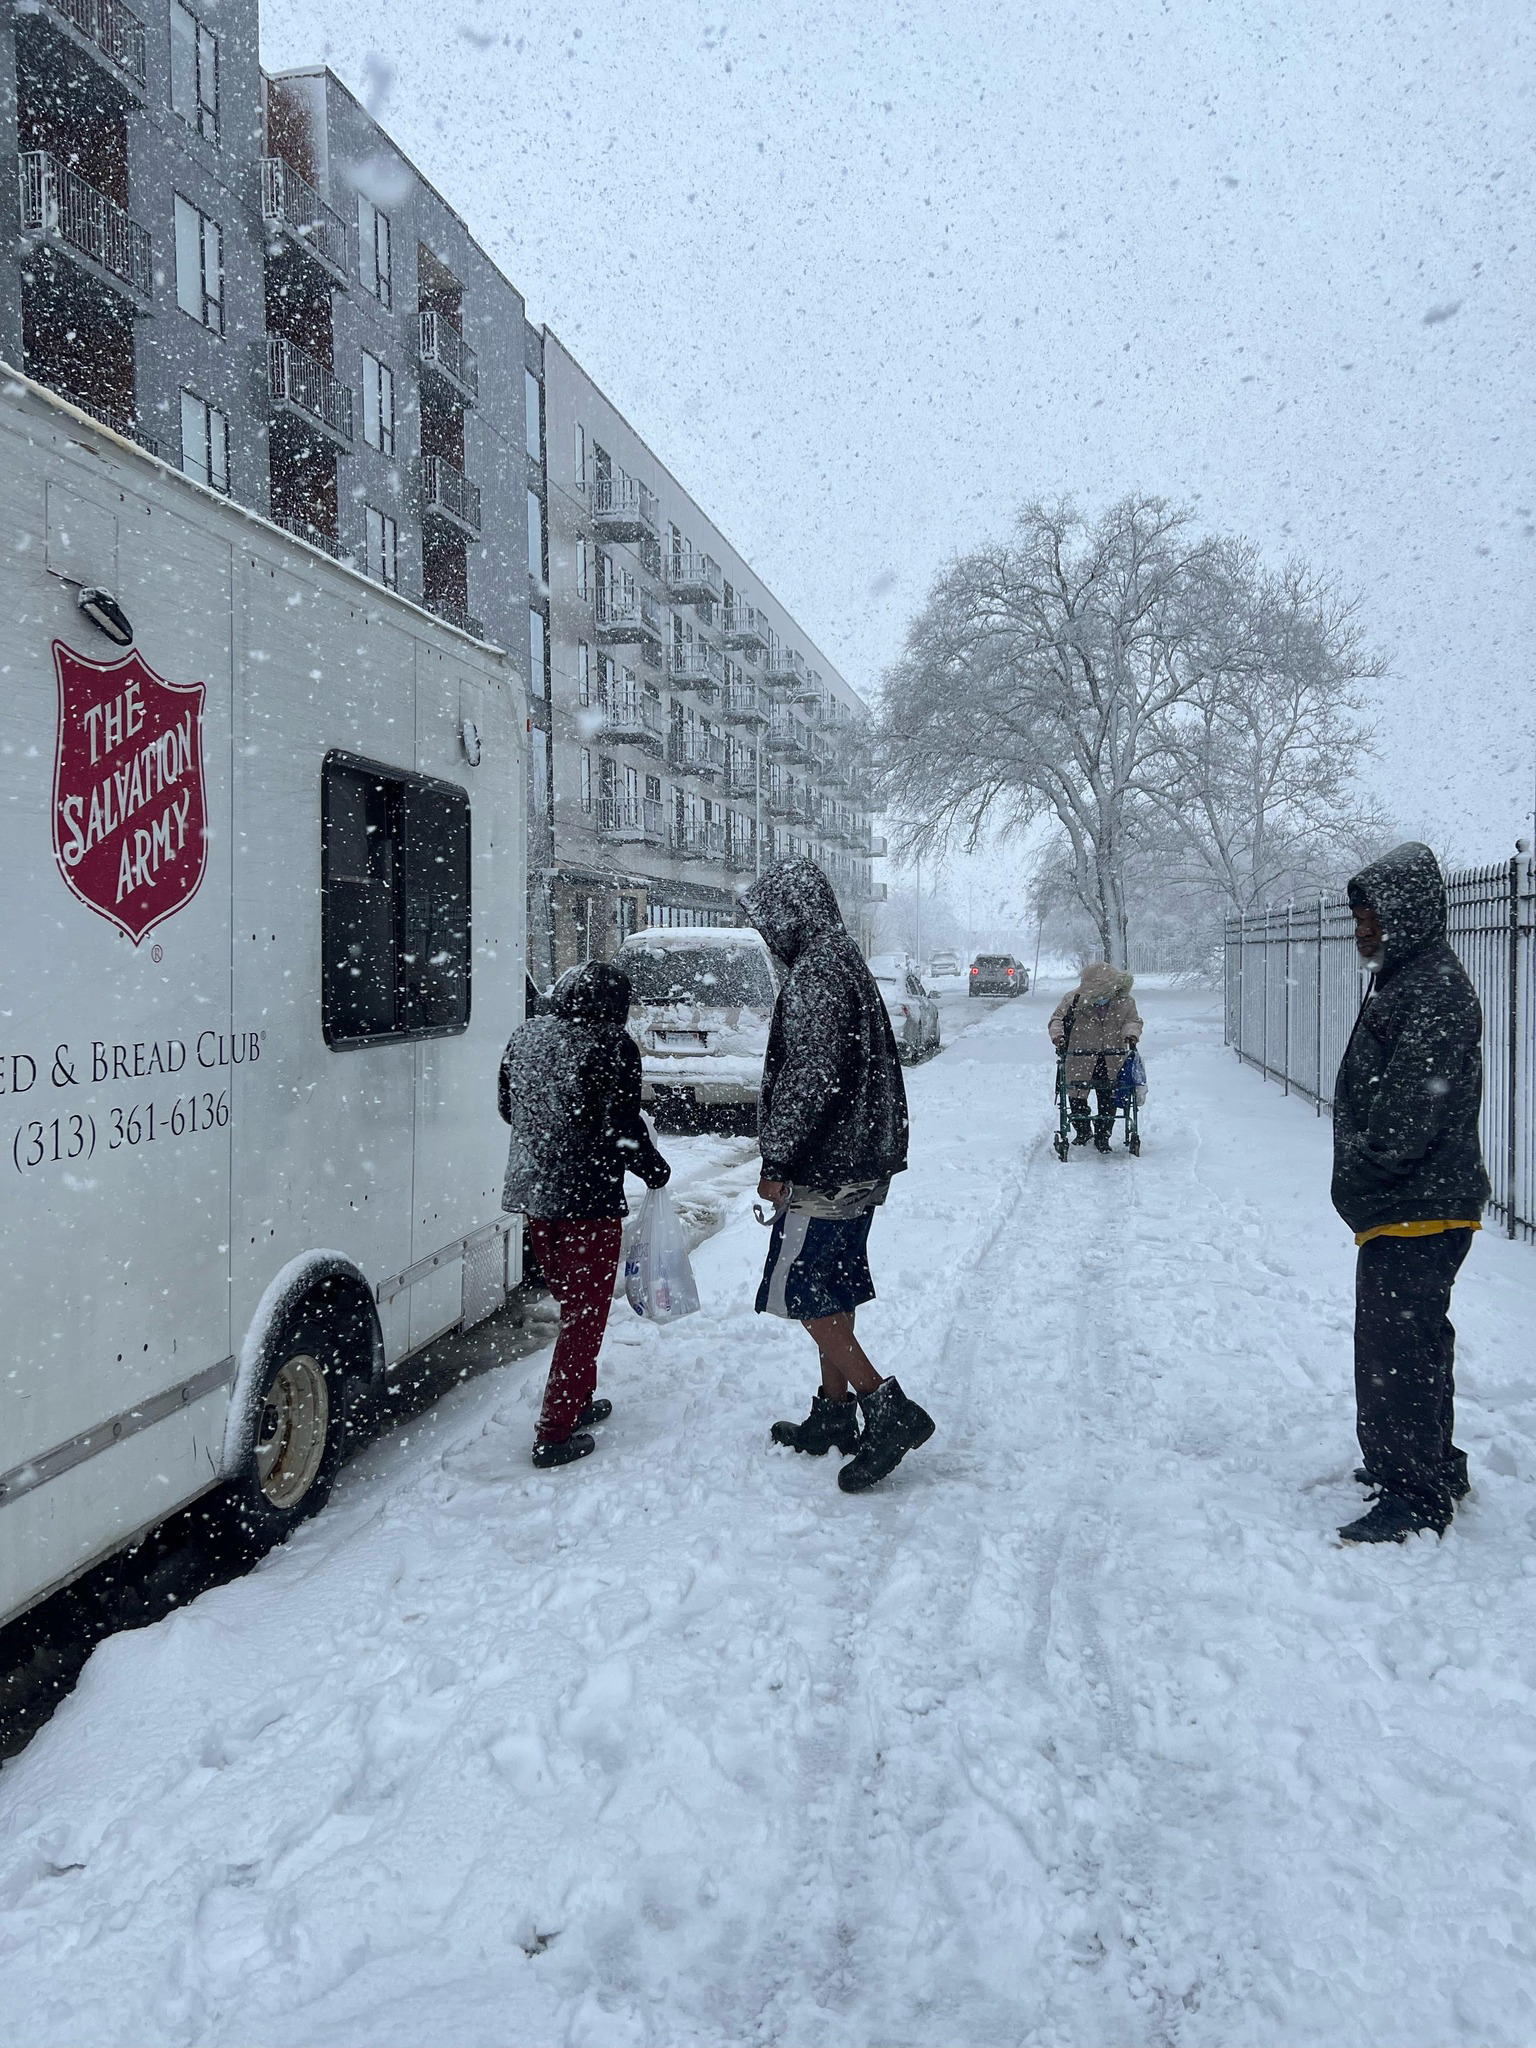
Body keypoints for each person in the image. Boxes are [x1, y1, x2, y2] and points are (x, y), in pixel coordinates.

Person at [740, 858, 934, 1493]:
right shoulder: (841, 955)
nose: (768, 933)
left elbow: (811, 1079)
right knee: (834, 1284)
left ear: (789, 915)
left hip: (826, 1165)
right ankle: (833, 1413)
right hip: (859, 1157)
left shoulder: (817, 971)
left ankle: (887, 1409)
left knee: (802, 1291)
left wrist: (779, 1161)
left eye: (770, 920)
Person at [1331, 842, 1489, 1544]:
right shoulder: (1410, 977)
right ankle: (1432, 1463)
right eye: (1360, 917)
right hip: (1414, 1202)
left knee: (1395, 1348)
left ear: (1410, 916)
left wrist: (1363, 1173)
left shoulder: (1429, 988)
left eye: (1373, 917)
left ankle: (1414, 1496)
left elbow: (1406, 1116)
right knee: (1419, 1341)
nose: (1363, 929)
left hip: (1417, 1202)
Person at [499, 960, 671, 1470]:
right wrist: (653, 1169)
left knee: (572, 1304)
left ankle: (575, 1400)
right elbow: (620, 1125)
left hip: (535, 1195)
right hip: (586, 1202)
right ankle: (554, 1432)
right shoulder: (613, 1046)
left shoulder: (526, 1036)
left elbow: (509, 1108)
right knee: (585, 1315)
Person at [1048, 963, 1144, 1150]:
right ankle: (1082, 1131)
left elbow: (1132, 1021)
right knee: (1076, 1096)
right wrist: (1058, 1036)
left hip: (1112, 1056)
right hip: (1079, 1055)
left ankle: (1103, 1136)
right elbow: (1056, 1019)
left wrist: (1131, 1034)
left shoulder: (1125, 1002)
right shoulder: (1073, 999)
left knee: (1108, 1096)